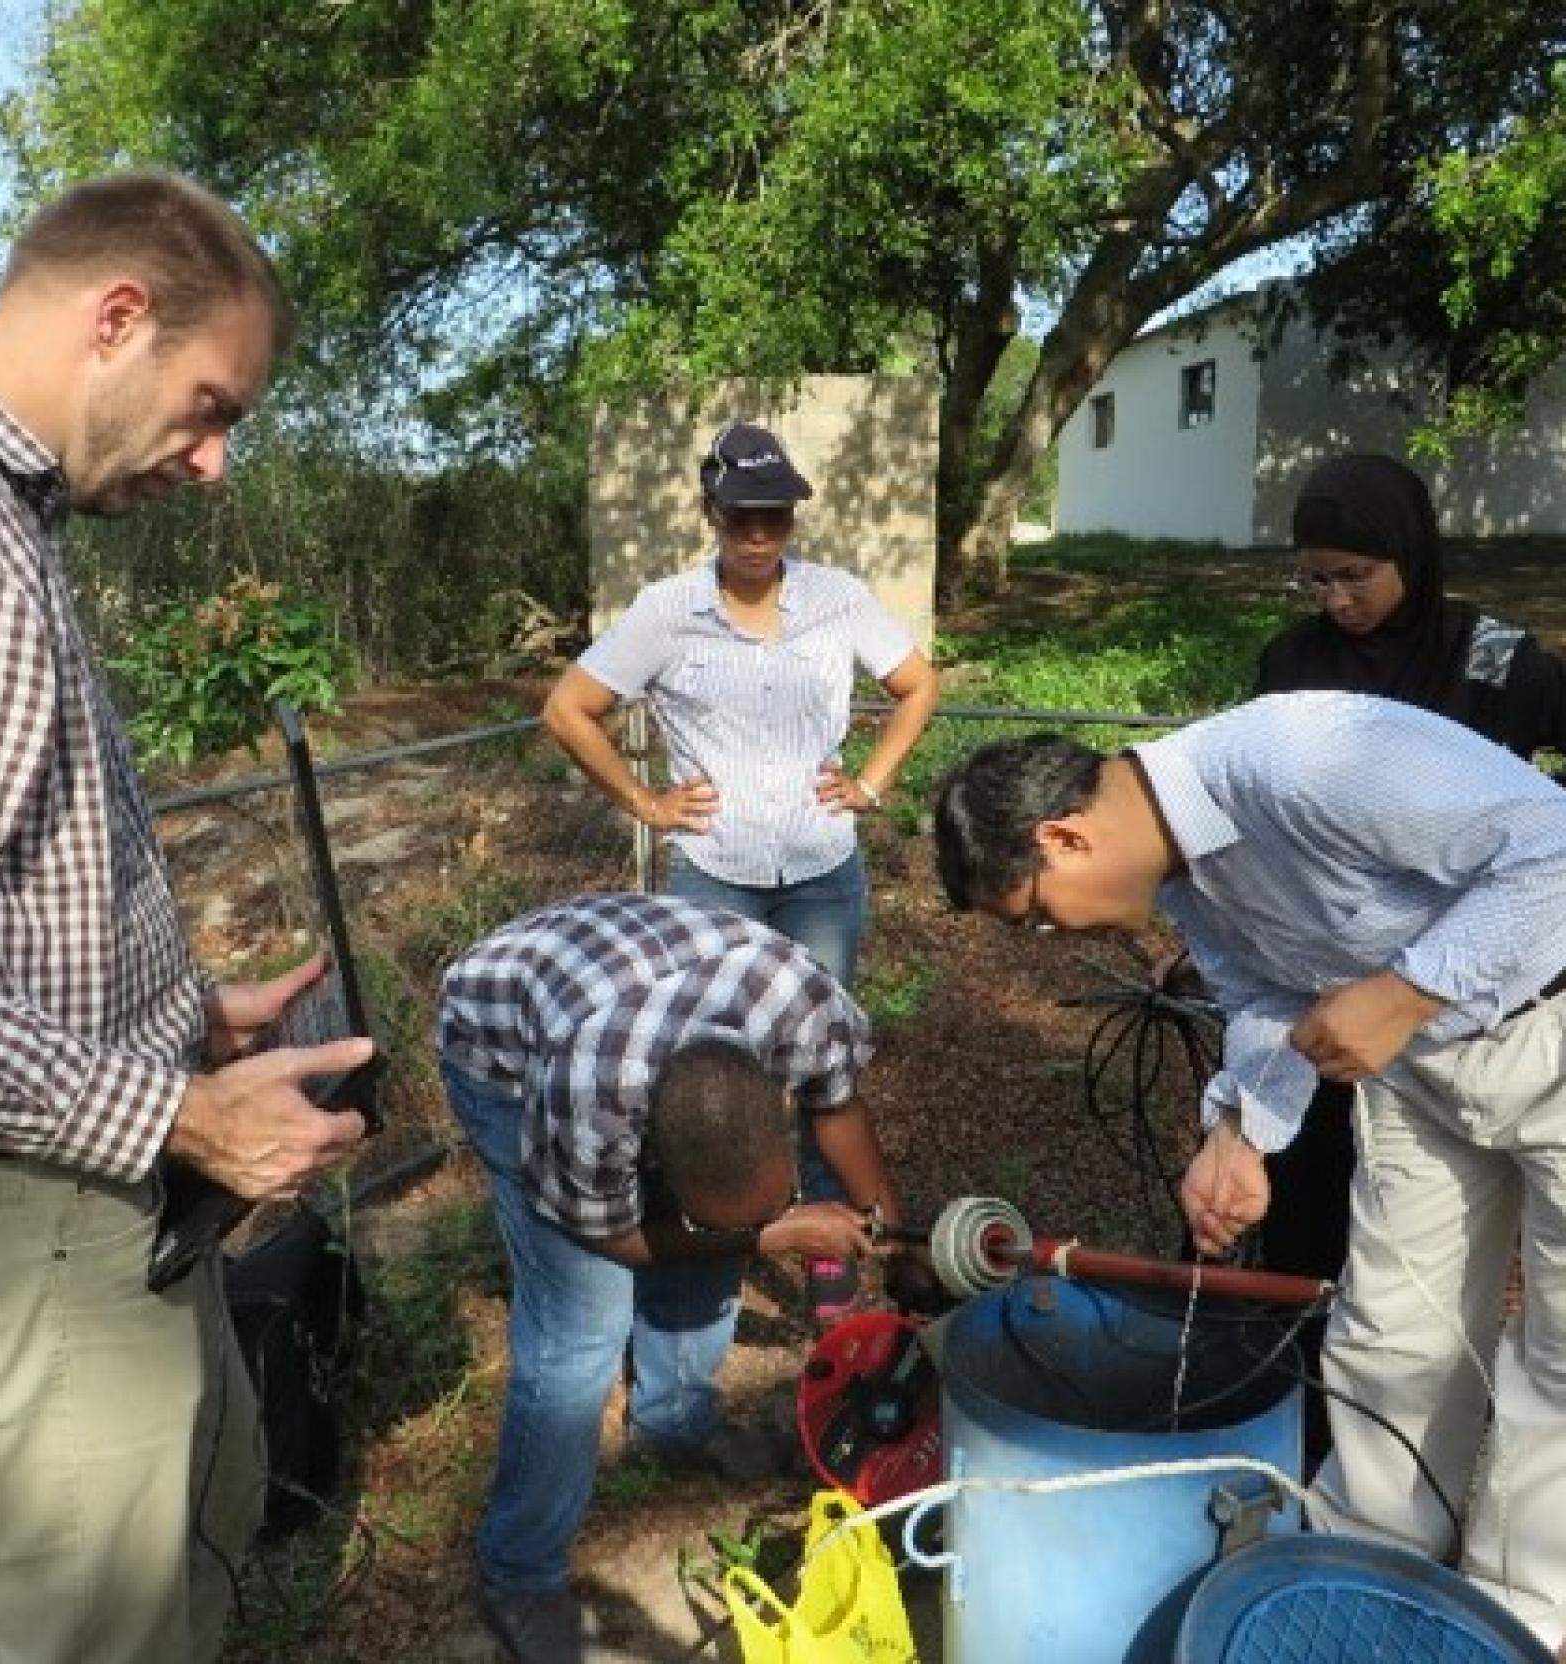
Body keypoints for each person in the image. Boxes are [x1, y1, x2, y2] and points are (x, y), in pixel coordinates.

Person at [0, 172, 372, 1664]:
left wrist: (181, 1011)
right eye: (210, 400)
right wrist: (164, 1108)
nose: (216, 459)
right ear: (117, 319)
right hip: (26, 1216)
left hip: (91, 1193)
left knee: (199, 1543)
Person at [932, 693, 1566, 1653]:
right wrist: (1239, 1134)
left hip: (1548, 1020)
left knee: (1557, 1359)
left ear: (1061, 837)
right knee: (1391, 1330)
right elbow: (1268, 991)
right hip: (1421, 1065)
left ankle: (1515, 1618)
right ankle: (1357, 1577)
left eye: (1037, 921)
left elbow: (1555, 851)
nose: (1054, 939)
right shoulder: (1187, 877)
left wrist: (1404, 991)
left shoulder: (1301, 759)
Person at [437, 890, 921, 1664]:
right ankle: (517, 1572)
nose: (760, 1244)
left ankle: (672, 1425)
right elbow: (624, 1240)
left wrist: (893, 1238)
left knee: (708, 1255)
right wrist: (770, 1229)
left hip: (636, 986)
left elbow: (839, 1111)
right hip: (499, 1046)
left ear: (775, 1097)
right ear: (650, 1153)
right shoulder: (583, 1099)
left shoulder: (801, 1007)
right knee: (578, 1331)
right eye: (724, 1221)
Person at [543, 421, 939, 1323]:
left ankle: (827, 1250)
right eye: (741, 518)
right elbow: (570, 709)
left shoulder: (837, 599)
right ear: (710, 513)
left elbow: (920, 685)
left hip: (821, 874)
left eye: (776, 518)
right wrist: (645, 803)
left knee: (813, 1069)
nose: (759, 537)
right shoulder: (667, 610)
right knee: (712, 1078)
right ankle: (720, 1243)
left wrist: (872, 783)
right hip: (714, 884)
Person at [1246, 452, 1566, 1460]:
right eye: (1316, 578)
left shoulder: (1493, 658)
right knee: (1317, 1208)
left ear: (1409, 555)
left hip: (1471, 993)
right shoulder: (1289, 663)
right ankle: (1301, 1429)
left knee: (1494, 1277)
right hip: (1329, 974)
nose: (1336, 599)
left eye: (1355, 575)